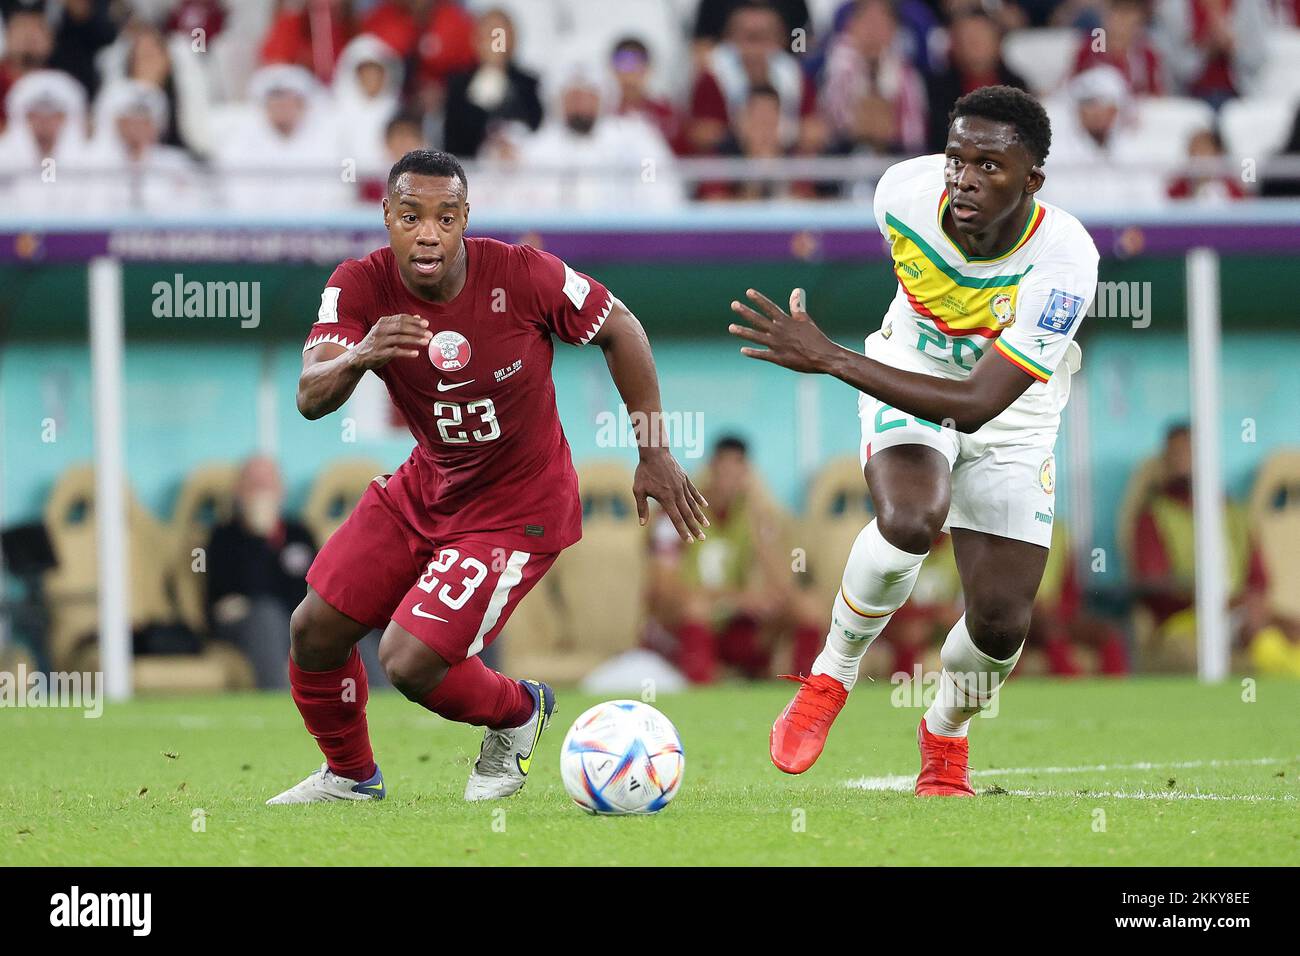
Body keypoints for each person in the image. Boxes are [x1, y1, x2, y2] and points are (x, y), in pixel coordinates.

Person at [267, 149, 707, 804]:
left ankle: (520, 712)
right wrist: (361, 355)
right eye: (411, 215)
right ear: (387, 216)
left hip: (517, 507)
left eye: (446, 218)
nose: (428, 233)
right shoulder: (359, 284)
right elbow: (309, 395)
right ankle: (351, 777)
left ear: (465, 219)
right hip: (427, 485)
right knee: (313, 628)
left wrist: (653, 450)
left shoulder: (523, 275)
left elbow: (621, 327)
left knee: (408, 662)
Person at [727, 86, 1100, 796]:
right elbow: (939, 378)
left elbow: (981, 403)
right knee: (909, 519)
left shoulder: (1064, 261)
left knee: (999, 624)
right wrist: (856, 362)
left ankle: (945, 734)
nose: (964, 178)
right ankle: (829, 680)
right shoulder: (899, 193)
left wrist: (833, 359)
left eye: (990, 167)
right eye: (958, 158)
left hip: (1011, 413)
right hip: (908, 369)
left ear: (1032, 180)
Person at [646, 436, 822, 682]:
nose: (729, 480)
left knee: (808, 607)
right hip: (686, 626)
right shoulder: (676, 511)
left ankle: (803, 697)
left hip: (730, 623)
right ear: (710, 470)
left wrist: (762, 529)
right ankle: (700, 694)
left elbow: (786, 588)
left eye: (738, 471)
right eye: (723, 470)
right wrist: (734, 598)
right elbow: (663, 592)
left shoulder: (751, 514)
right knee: (697, 609)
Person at [1132, 423, 1269, 670]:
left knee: (1277, 648)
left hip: (1242, 616)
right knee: (1190, 653)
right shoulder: (1154, 515)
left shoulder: (1234, 512)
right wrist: (1216, 603)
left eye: (1190, 452)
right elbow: (1154, 584)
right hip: (1186, 619)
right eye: (1176, 454)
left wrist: (1252, 606)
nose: (1183, 461)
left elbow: (1259, 577)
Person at [206, 456, 318, 689]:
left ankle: (383, 704)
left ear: (281, 491)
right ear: (238, 491)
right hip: (246, 623)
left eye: (268, 486)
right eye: (254, 486)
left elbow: (313, 587)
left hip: (295, 618)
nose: (262, 494)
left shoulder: (299, 534)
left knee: (349, 621)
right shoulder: (224, 537)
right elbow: (245, 592)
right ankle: (280, 705)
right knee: (267, 615)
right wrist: (259, 540)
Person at [441, 8, 542, 158]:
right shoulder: (458, 84)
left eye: (498, 35)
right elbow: (454, 140)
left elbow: (534, 128)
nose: (494, 42)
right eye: (488, 35)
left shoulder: (528, 83)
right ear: (476, 39)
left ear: (511, 39)